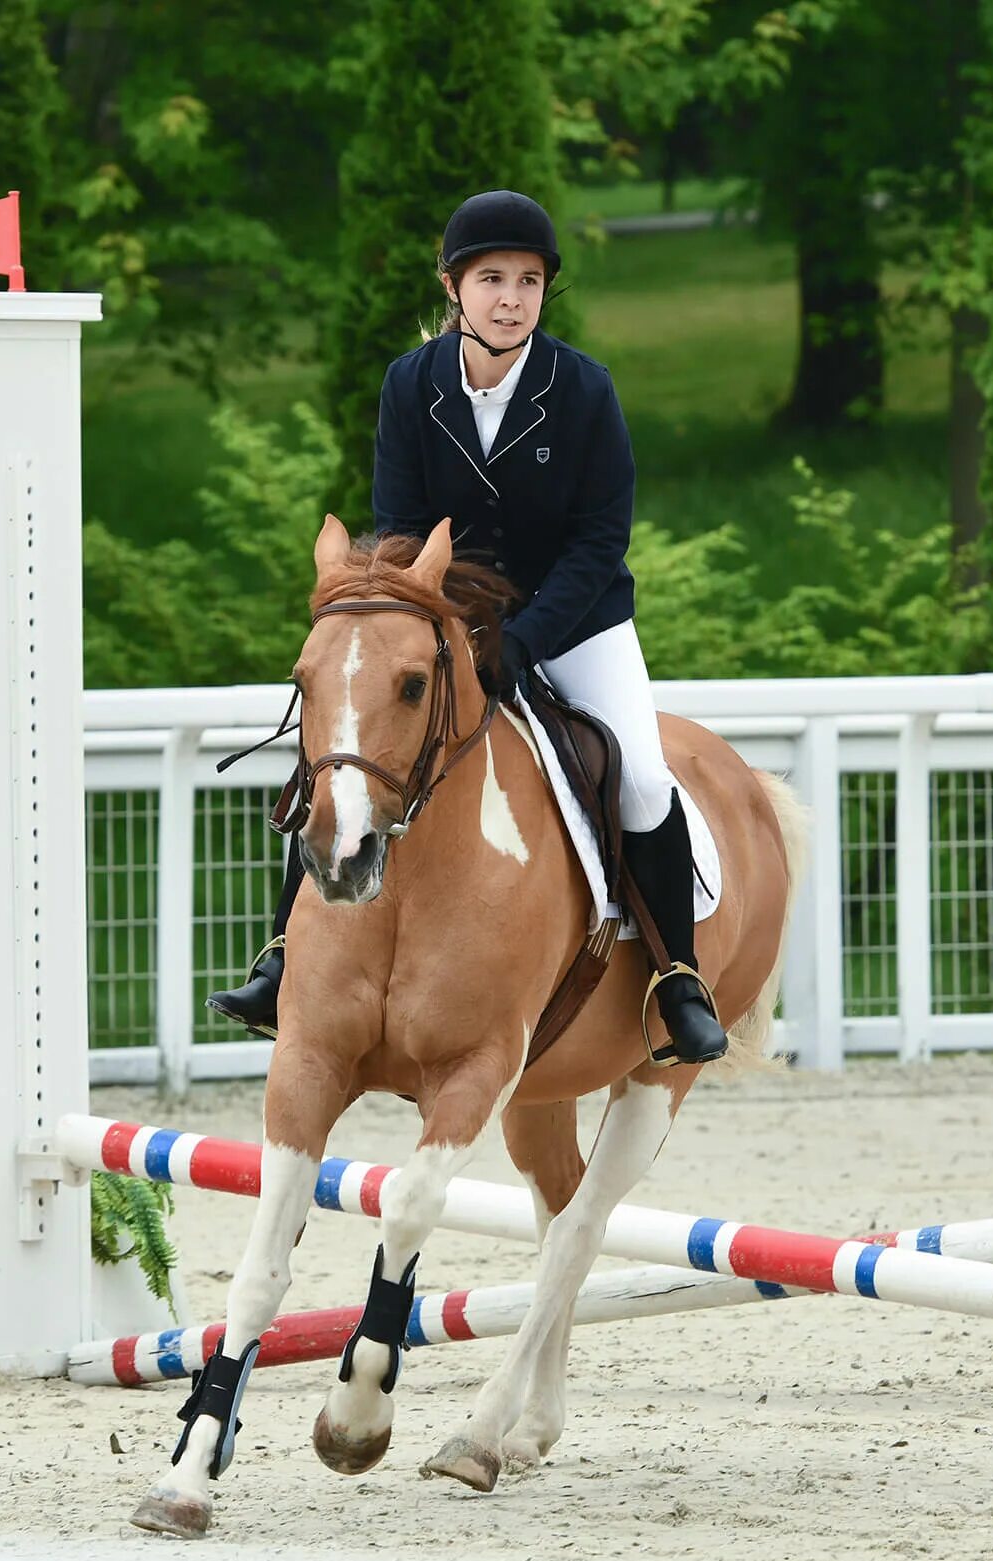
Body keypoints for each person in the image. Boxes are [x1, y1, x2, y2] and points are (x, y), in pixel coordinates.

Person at [208, 189, 727, 1064]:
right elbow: (398, 527)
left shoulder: (584, 390)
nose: (512, 298)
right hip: (442, 620)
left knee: (638, 775)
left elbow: (601, 540)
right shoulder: (412, 385)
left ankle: (676, 977)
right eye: (492, 279)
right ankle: (283, 956)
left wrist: (526, 639)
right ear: (454, 287)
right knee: (340, 755)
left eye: (528, 281)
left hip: (578, 620)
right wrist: (443, 635)